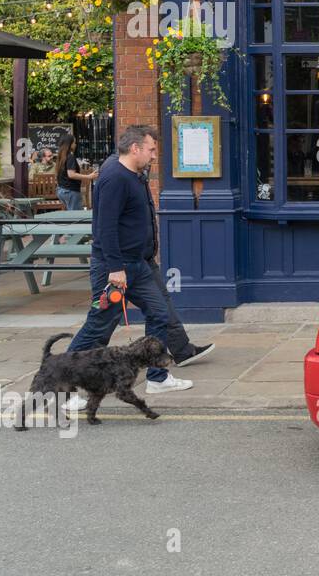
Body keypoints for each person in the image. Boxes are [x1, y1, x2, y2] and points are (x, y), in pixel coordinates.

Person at [67, 125, 213, 396]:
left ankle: (158, 377)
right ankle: (64, 385)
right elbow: (105, 228)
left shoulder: (134, 174)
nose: (154, 155)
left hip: (138, 264)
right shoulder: (115, 178)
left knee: (159, 314)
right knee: (99, 327)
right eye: (151, 149)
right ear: (135, 148)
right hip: (115, 268)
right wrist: (115, 268)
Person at [54, 133, 98, 211]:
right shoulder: (70, 157)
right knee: (76, 215)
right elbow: (71, 174)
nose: (75, 144)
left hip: (61, 190)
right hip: (70, 191)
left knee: (70, 214)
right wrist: (89, 176)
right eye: (74, 142)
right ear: (70, 144)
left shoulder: (61, 156)